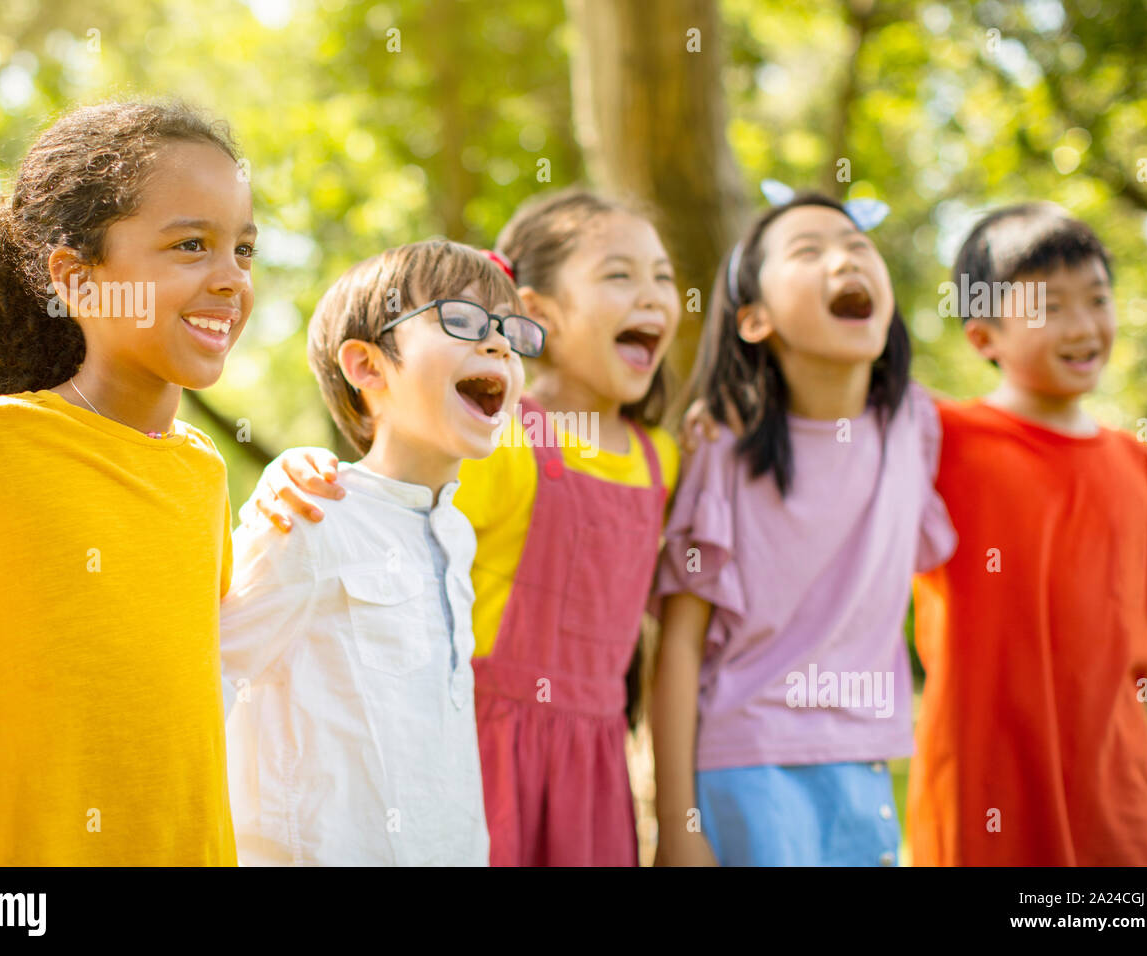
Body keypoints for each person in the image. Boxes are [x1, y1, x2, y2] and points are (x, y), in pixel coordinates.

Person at [249, 189, 681, 865]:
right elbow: (214, 673)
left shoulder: (659, 459)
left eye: (664, 277)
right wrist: (293, 472)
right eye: (620, 274)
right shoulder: (485, 451)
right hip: (495, 753)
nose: (497, 344)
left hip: (579, 768)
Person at [0, 101, 252, 865]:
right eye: (192, 244)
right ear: (77, 279)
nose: (230, 279)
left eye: (244, 250)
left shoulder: (204, 471)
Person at [658, 192, 955, 866]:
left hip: (865, 761)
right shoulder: (722, 443)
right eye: (808, 250)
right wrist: (677, 825)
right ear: (755, 320)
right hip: (748, 763)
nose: (844, 258)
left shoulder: (916, 425)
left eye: (856, 245)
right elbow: (678, 644)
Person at [220, 240, 530, 865]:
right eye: (463, 320)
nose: (498, 343)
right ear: (366, 367)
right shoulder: (307, 513)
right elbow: (202, 681)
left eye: (510, 332)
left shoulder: (456, 532)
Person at [909, 202, 1147, 866]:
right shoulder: (939, 439)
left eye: (1097, 299)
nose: (1084, 325)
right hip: (981, 797)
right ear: (984, 338)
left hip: (1113, 798)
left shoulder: (1134, 462)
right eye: (1051, 307)